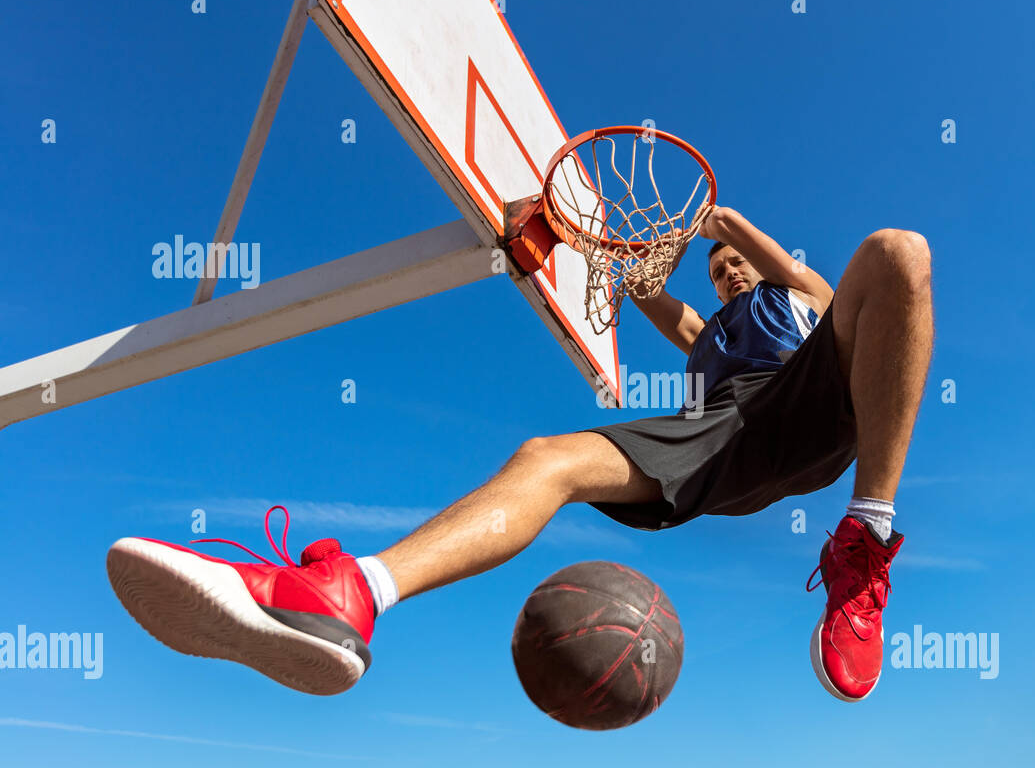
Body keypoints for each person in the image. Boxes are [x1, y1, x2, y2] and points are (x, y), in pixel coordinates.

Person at [107, 207, 934, 702]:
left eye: (733, 268)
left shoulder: (799, 296)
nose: (726, 275)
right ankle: (352, 593)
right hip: (725, 437)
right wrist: (620, 237)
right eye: (718, 271)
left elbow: (803, 274)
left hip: (815, 399)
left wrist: (729, 229)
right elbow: (650, 293)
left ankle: (866, 538)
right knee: (549, 456)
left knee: (898, 252)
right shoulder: (704, 336)